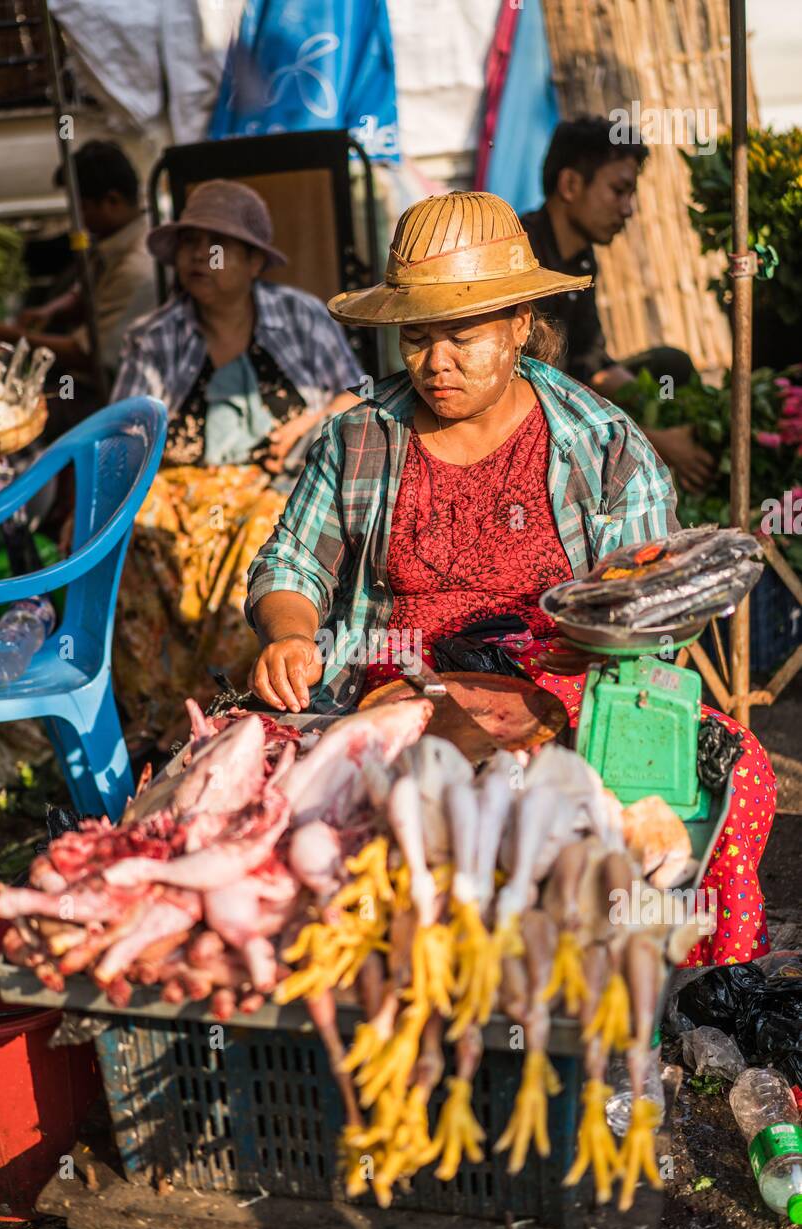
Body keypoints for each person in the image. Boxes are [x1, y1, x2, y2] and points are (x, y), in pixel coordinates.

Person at [246, 190, 775, 971]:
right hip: (389, 688)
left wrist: (592, 655)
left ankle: (696, 990)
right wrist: (289, 633)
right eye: (416, 339)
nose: (435, 364)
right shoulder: (360, 436)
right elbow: (291, 562)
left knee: (740, 772)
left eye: (461, 337)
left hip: (569, 690)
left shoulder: (601, 445)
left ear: (519, 324)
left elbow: (656, 608)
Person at [110, 178, 362, 742]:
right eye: (189, 243)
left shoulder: (299, 317)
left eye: (216, 243)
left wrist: (308, 421)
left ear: (253, 262)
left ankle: (224, 713)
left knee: (261, 546)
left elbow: (359, 393)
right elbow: (122, 443)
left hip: (275, 486)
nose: (199, 256)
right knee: (133, 537)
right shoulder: (153, 337)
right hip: (178, 495)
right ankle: (157, 727)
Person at [520, 117, 716, 496]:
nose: (628, 210)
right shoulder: (524, 262)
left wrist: (663, 404)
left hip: (569, 393)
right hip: (537, 419)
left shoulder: (581, 260)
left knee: (669, 368)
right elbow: (543, 396)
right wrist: (656, 439)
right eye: (618, 191)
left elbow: (590, 363)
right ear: (571, 185)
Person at [0, 140, 157, 379]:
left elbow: (88, 354)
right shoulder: (114, 239)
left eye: (82, 208)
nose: (77, 219)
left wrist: (11, 337)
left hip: (114, 387)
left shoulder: (137, 268)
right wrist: (52, 310)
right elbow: (89, 289)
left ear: (112, 201)